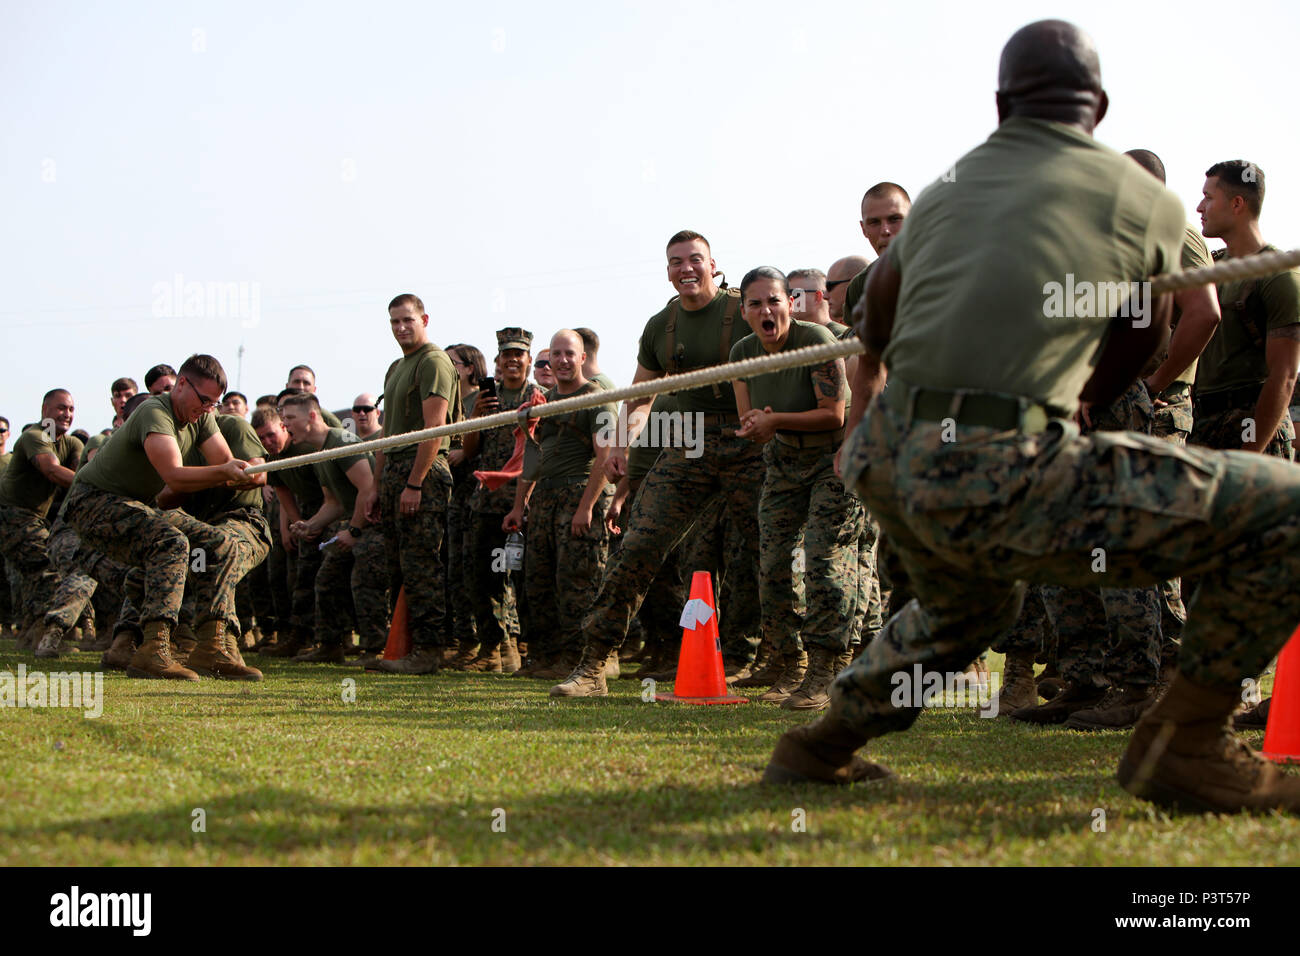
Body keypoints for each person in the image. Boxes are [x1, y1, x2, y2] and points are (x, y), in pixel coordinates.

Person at [766, 20, 1300, 815]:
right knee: (1288, 508)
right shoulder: (1138, 195)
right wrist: (1088, 401)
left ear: (1000, 103)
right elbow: (1151, 323)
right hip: (997, 456)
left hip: (891, 458)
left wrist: (868, 408)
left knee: (972, 606)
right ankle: (1185, 745)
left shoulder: (947, 190)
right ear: (1099, 107)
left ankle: (818, 747)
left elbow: (878, 298)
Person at [550, 230, 762, 697]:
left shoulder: (742, 310)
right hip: (687, 443)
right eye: (675, 262)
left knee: (772, 549)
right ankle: (592, 666)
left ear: (713, 264)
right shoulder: (659, 326)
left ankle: (799, 666)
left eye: (694, 260)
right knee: (638, 546)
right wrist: (621, 445)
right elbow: (639, 395)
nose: (685, 269)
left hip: (751, 441)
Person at [62, 355, 252, 680]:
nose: (207, 409)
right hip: (92, 501)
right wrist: (225, 470)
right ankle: (154, 649)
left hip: (138, 505)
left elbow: (224, 462)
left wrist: (244, 470)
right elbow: (176, 476)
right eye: (204, 400)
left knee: (214, 542)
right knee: (170, 543)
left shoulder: (201, 417)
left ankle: (210, 645)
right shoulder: (154, 411)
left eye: (214, 403)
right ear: (181, 384)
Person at [731, 268, 860, 709]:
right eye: (755, 304)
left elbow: (834, 415)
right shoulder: (742, 353)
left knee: (824, 561)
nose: (766, 310)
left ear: (790, 303)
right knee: (772, 566)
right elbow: (749, 420)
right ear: (744, 311)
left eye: (774, 301)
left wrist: (774, 421)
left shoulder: (817, 342)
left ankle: (828, 669)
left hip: (832, 461)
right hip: (783, 461)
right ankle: (791, 665)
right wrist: (755, 428)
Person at [506, 330, 616, 673]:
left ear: (582, 358)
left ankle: (584, 660)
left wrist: (585, 507)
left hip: (578, 494)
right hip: (544, 498)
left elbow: (605, 457)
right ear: (549, 359)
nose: (563, 360)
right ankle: (546, 656)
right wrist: (518, 504)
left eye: (570, 353)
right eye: (557, 354)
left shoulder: (596, 399)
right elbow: (531, 458)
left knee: (577, 583)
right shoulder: (543, 402)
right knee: (538, 581)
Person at [362, 293, 459, 674]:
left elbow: (434, 428)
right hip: (394, 471)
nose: (401, 328)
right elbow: (387, 433)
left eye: (407, 320)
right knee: (398, 566)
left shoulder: (434, 361)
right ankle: (401, 647)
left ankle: (429, 651)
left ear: (425, 320)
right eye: (394, 322)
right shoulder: (396, 367)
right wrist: (375, 485)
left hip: (423, 470)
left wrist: (415, 483)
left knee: (421, 564)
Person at [1189, 160, 1300, 459]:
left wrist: (1250, 454)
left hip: (1252, 431)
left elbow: (1285, 375)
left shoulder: (1279, 274)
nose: (1200, 207)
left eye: (1209, 197)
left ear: (1237, 203)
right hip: (1202, 426)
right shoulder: (1210, 270)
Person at [280, 393, 388, 664]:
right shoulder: (321, 452)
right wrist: (312, 524)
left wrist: (353, 532)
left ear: (312, 416)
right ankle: (330, 646)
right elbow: (334, 502)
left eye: (291, 418)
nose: (285, 425)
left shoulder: (341, 440)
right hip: (356, 524)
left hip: (375, 525)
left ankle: (375, 649)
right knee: (325, 580)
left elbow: (366, 489)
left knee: (364, 581)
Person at [462, 330, 542, 672]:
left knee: (523, 578)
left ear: (528, 359)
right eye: (506, 355)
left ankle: (526, 647)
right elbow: (469, 451)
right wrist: (476, 418)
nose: (512, 360)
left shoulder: (540, 397)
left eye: (519, 355)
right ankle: (495, 648)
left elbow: (538, 452)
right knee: (484, 575)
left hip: (525, 502)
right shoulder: (483, 398)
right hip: (488, 502)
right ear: (497, 360)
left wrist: (522, 504)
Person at [0, 390, 82, 652]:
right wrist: (95, 483)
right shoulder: (34, 437)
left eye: (70, 409)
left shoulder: (71, 444)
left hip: (33, 519)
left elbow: (83, 468)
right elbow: (51, 469)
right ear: (45, 409)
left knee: (33, 575)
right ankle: (38, 635)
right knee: (48, 569)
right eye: (60, 408)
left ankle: (28, 636)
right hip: (11, 515)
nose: (66, 414)